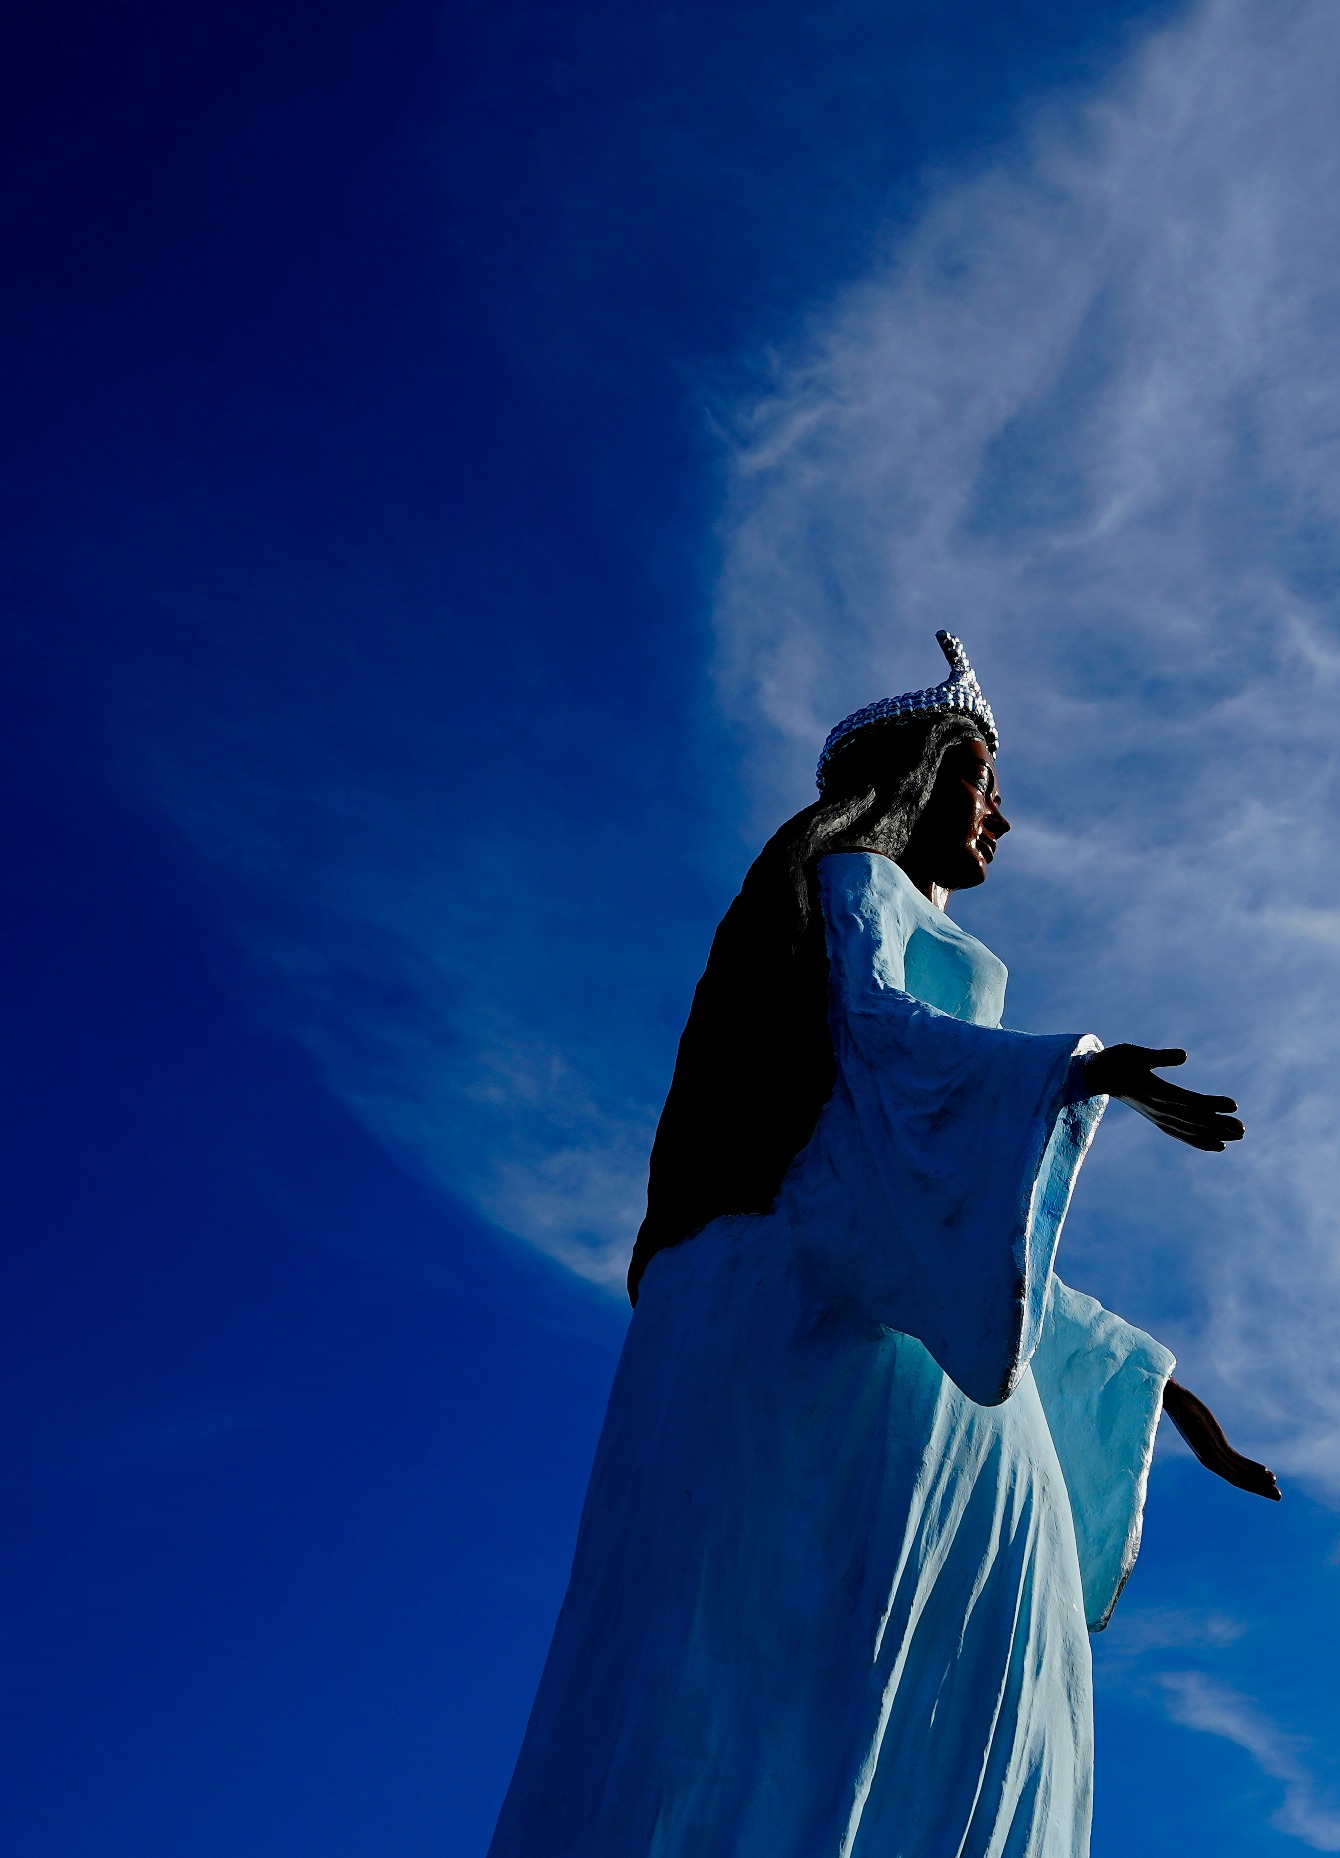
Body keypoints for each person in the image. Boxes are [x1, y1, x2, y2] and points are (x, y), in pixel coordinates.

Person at [488, 633, 1275, 1858]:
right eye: (982, 783)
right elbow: (884, 1042)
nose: (1002, 823)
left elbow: (931, 1210)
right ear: (915, 778)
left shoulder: (920, 1111)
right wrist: (1078, 1070)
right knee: (792, 1711)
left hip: (923, 1373)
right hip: (843, 1370)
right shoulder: (858, 892)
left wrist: (1156, 1384)